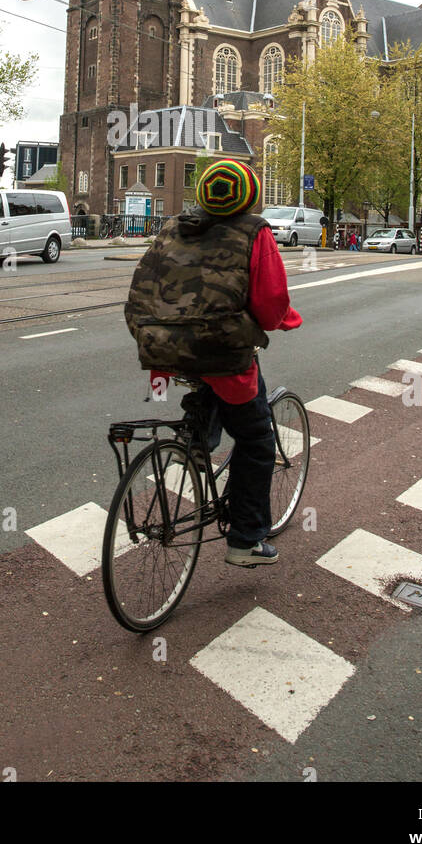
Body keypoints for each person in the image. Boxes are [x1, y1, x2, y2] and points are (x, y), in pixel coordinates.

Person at [124, 159, 302, 567]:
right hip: (222, 349)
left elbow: (144, 285)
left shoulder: (171, 227)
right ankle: (246, 540)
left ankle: (197, 442)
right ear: (250, 197)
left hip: (162, 348)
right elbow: (270, 303)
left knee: (203, 377)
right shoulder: (255, 232)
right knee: (257, 441)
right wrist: (282, 322)